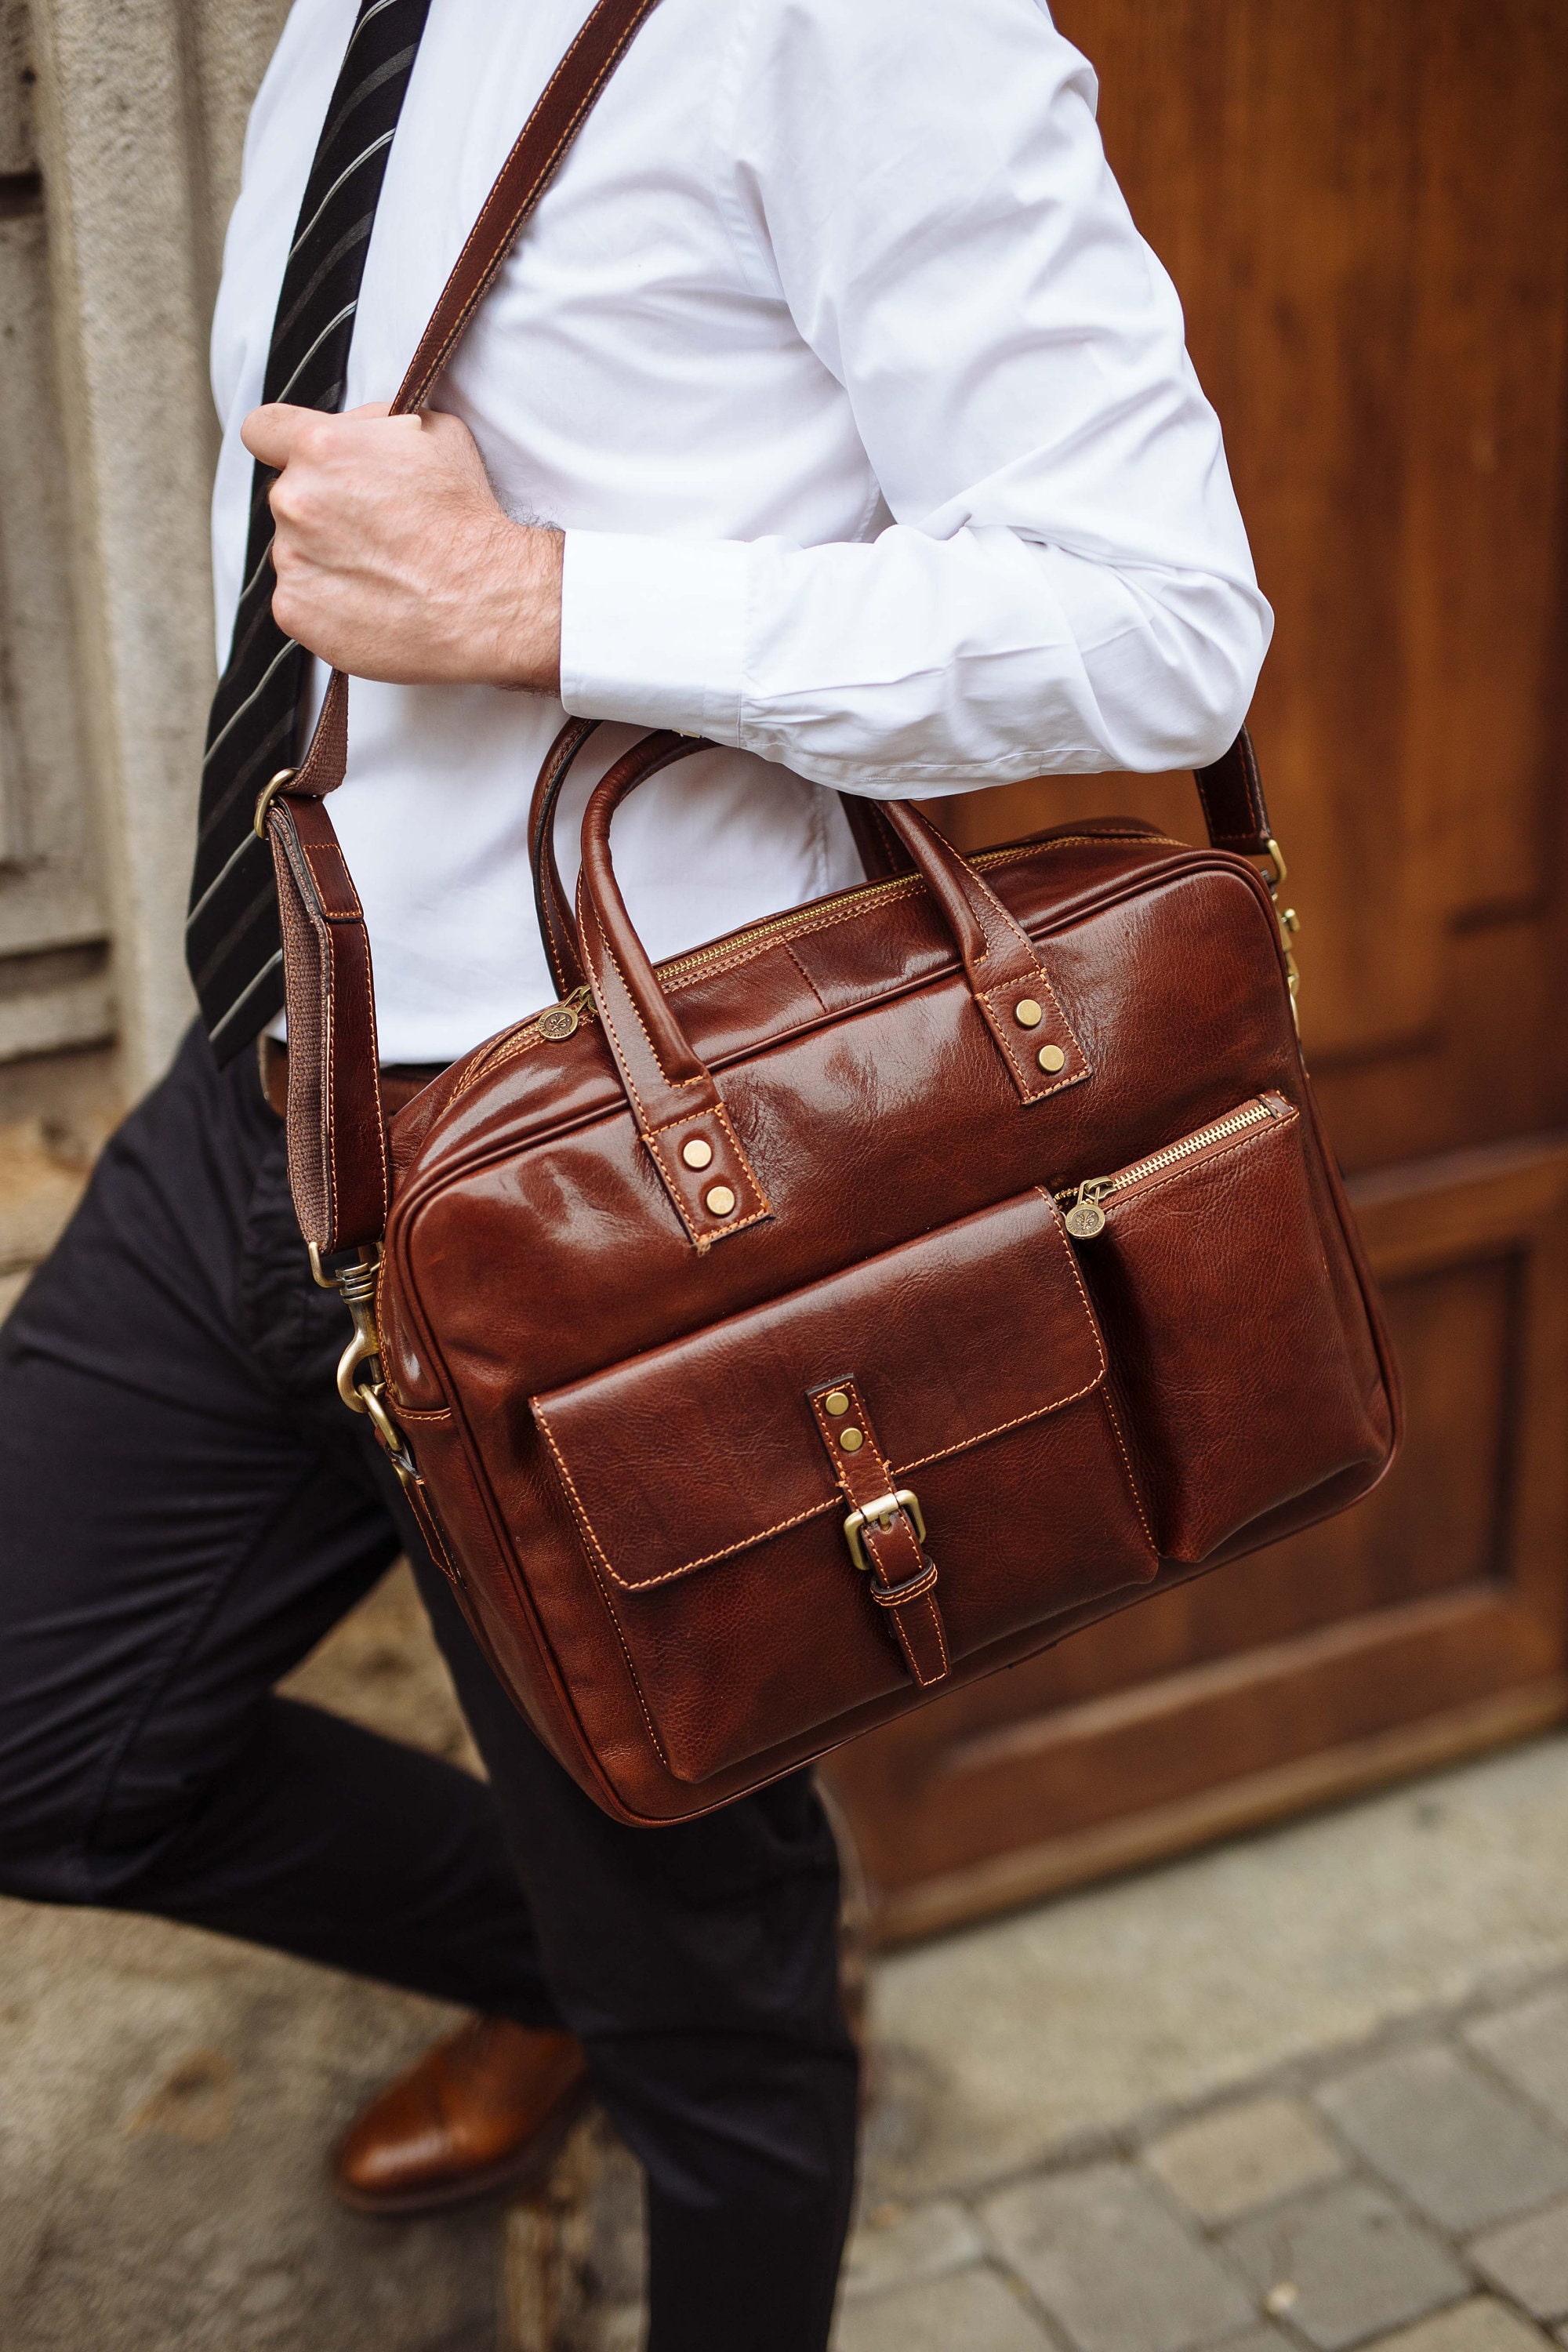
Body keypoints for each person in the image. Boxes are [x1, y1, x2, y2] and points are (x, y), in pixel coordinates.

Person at [0, 0, 1269, 2342]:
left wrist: (553, 601)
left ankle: (685, 2010)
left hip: (622, 1211)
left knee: (724, 2014)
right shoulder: (344, 24)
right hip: (272, 1093)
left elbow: (1161, 617)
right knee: (38, 1743)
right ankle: (568, 1968)